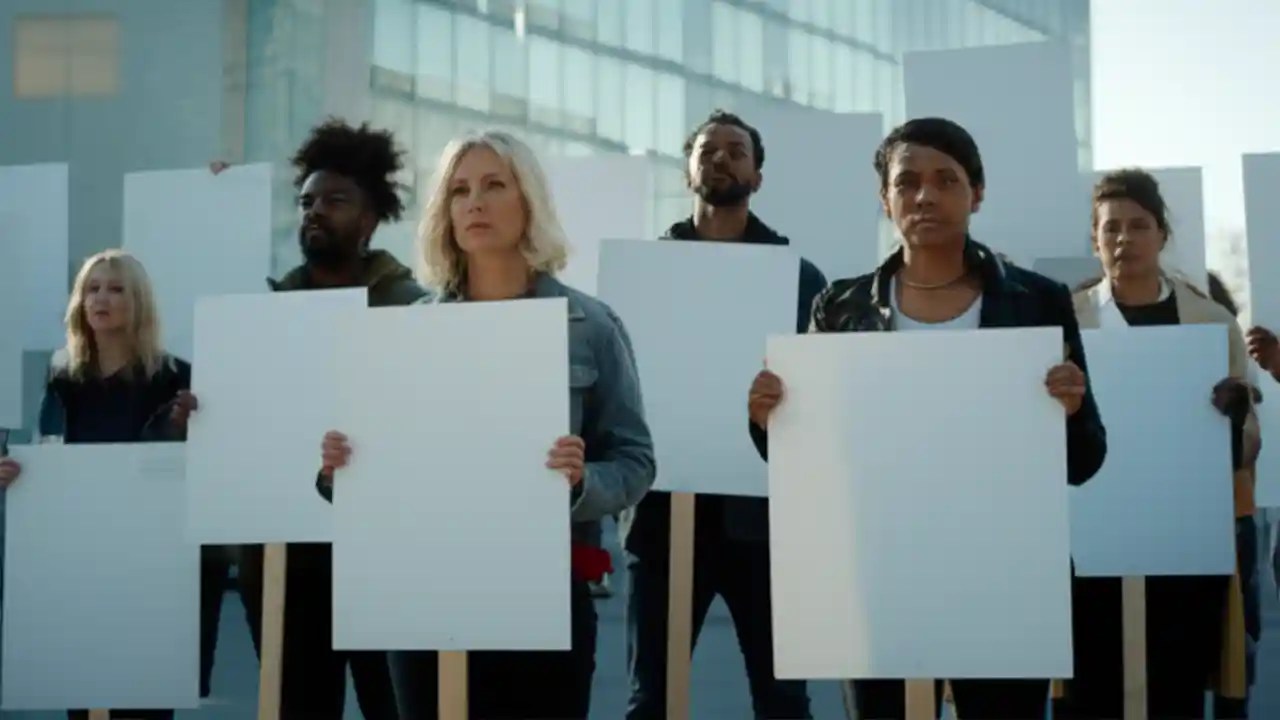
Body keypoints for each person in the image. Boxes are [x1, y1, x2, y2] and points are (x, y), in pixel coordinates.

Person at [746, 117, 1108, 720]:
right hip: (877, 575)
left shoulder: (1036, 302)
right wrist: (768, 418)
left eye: (946, 179)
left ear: (978, 192)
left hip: (1004, 576)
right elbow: (807, 470)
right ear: (884, 198)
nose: (925, 195)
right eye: (907, 181)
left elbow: (1086, 460)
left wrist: (1068, 412)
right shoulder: (840, 307)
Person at [320, 129, 655, 720]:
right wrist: (340, 471)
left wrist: (579, 483)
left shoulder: (590, 325)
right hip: (425, 594)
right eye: (459, 190)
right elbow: (375, 478)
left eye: (494, 185)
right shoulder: (405, 334)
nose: (474, 202)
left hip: (544, 593)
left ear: (527, 201)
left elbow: (635, 462)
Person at [621, 109, 824, 720]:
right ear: (688, 170)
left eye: (737, 150)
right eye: (708, 149)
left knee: (784, 699)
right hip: (661, 517)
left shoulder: (799, 278)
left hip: (763, 524)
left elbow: (819, 399)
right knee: (649, 699)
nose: (721, 158)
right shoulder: (644, 273)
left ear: (757, 176)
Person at [234, 118, 421, 720]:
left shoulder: (414, 309)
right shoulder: (268, 314)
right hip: (289, 557)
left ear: (369, 219)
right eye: (306, 201)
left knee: (392, 704)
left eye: (335, 200)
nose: (315, 211)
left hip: (384, 551)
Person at [1061, 169, 1255, 719]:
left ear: (1162, 234)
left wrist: (1232, 419)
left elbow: (1248, 443)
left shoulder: (1211, 322)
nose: (1125, 239)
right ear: (1095, 240)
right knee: (1092, 688)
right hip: (1089, 539)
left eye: (1138, 226)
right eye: (1111, 228)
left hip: (1181, 539)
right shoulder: (1067, 321)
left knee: (1176, 684)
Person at [0, 250, 223, 719]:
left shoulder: (176, 378)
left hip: (151, 565)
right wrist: (17, 475)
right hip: (81, 558)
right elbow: (50, 455)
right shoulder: (62, 377)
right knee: (83, 693)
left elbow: (203, 474)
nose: (101, 298)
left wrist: (184, 432)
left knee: (142, 694)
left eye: (116, 288)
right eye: (92, 288)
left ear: (139, 301)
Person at [1204, 272, 1264, 719]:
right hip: (1217, 519)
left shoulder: (1236, 382)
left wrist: (1236, 410)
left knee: (1234, 648)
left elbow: (1248, 448)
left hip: (1233, 518)